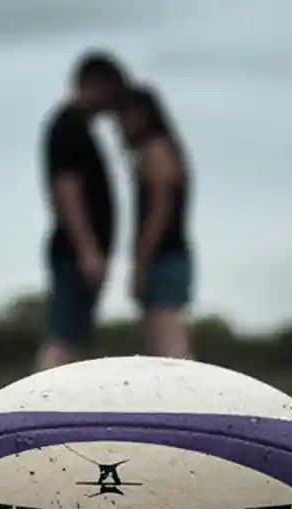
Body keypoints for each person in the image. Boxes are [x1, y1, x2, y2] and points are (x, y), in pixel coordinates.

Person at [35, 51, 128, 371]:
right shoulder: (69, 126)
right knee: (65, 337)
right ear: (95, 84)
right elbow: (67, 189)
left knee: (75, 338)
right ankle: (39, 411)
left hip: (80, 250)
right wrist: (87, 249)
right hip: (75, 251)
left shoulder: (78, 127)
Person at [115, 85, 194, 359]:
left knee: (170, 349)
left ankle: (189, 402)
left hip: (164, 258)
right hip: (168, 257)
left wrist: (141, 262)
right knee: (165, 348)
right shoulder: (165, 150)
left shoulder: (156, 152)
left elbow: (159, 213)